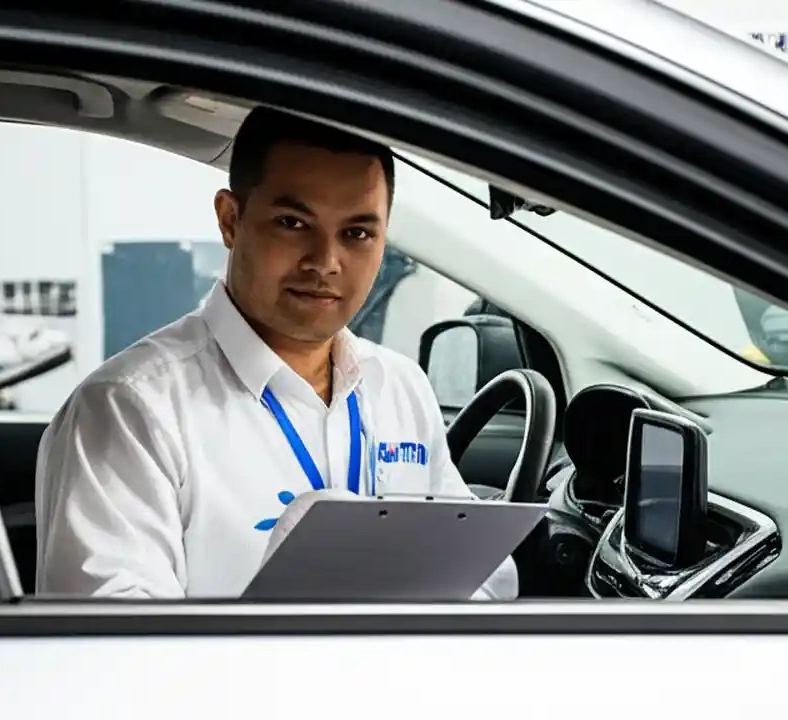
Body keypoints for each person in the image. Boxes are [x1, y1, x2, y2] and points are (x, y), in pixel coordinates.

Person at [34, 106, 517, 600]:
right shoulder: (131, 409)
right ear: (230, 220)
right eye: (292, 222)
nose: (325, 262)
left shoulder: (399, 387)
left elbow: (483, 576)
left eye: (357, 234)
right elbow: (112, 647)